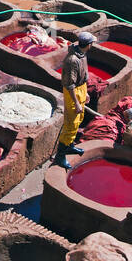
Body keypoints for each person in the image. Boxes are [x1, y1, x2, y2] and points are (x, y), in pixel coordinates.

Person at [54, 31, 95, 169]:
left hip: (81, 88)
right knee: (71, 124)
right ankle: (60, 155)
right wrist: (76, 102)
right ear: (88, 44)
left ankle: (70, 145)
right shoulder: (72, 60)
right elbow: (69, 84)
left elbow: (83, 76)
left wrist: (86, 93)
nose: (93, 45)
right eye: (92, 43)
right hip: (73, 92)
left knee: (79, 117)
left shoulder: (82, 54)